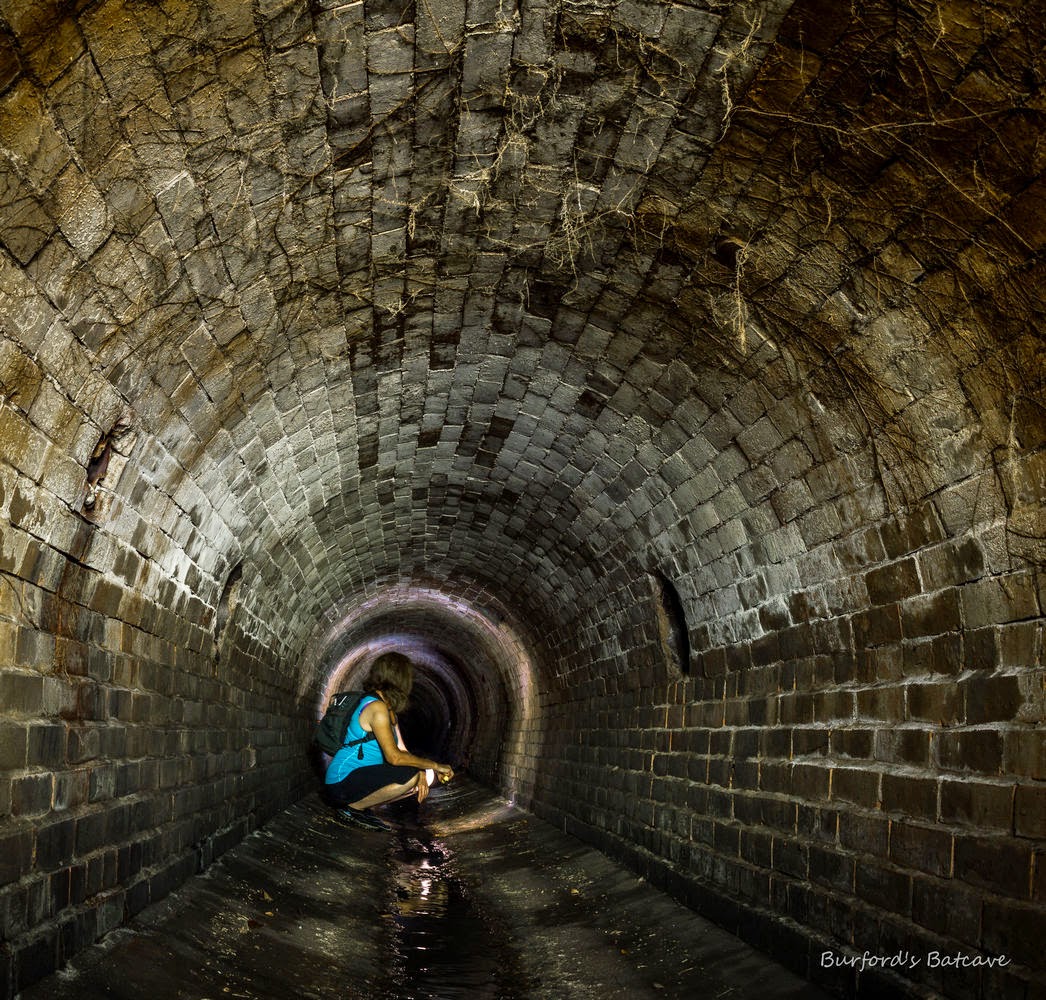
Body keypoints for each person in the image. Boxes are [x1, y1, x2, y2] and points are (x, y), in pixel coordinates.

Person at [324, 651, 454, 830]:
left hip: (359, 778)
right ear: (399, 679)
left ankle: (362, 806)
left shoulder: (388, 710)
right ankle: (352, 809)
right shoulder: (376, 707)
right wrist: (434, 765)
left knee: (423, 777)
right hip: (341, 781)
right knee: (412, 775)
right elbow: (394, 757)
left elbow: (402, 750)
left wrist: (424, 771)